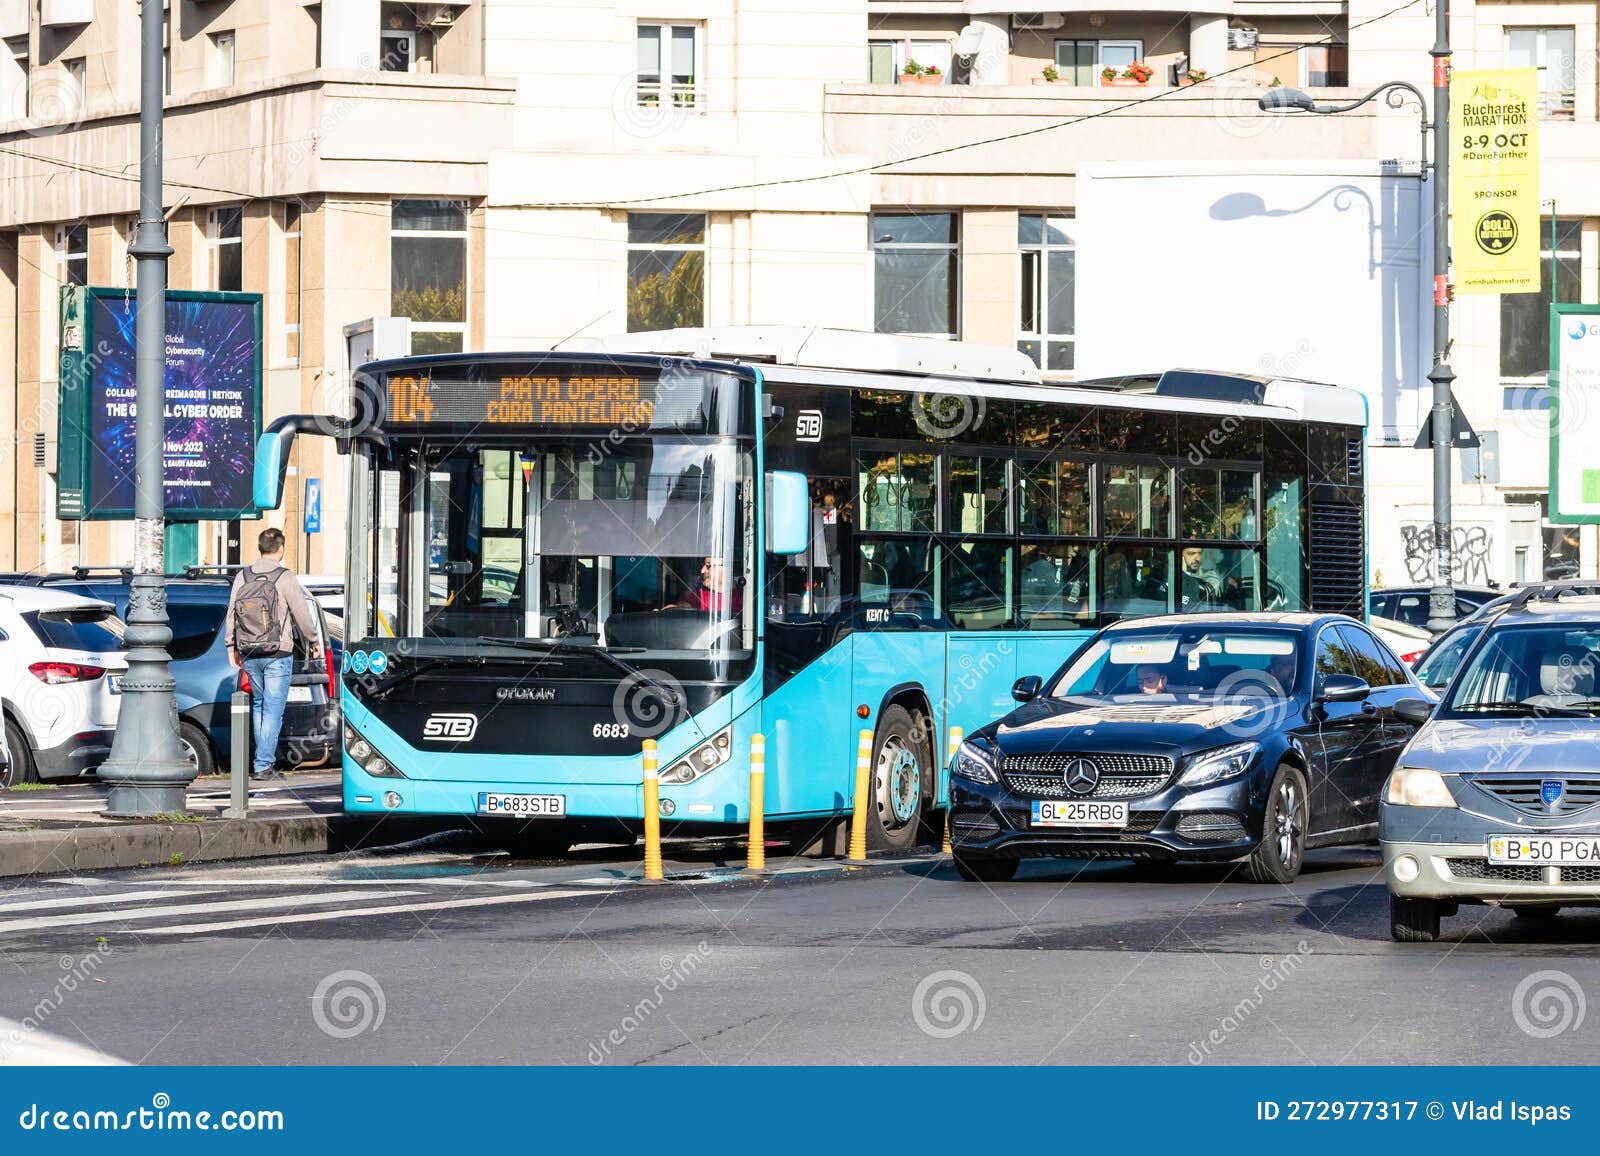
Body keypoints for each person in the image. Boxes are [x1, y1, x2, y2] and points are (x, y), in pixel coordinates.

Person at [225, 528, 322, 780]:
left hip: (249, 651)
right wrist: (312, 639)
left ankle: (261, 761)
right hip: (278, 651)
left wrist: (230, 646)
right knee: (272, 709)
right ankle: (263, 765)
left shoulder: (242, 576)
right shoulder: (284, 576)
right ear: (281, 549)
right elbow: (301, 612)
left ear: (260, 548)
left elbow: (231, 614)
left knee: (259, 704)